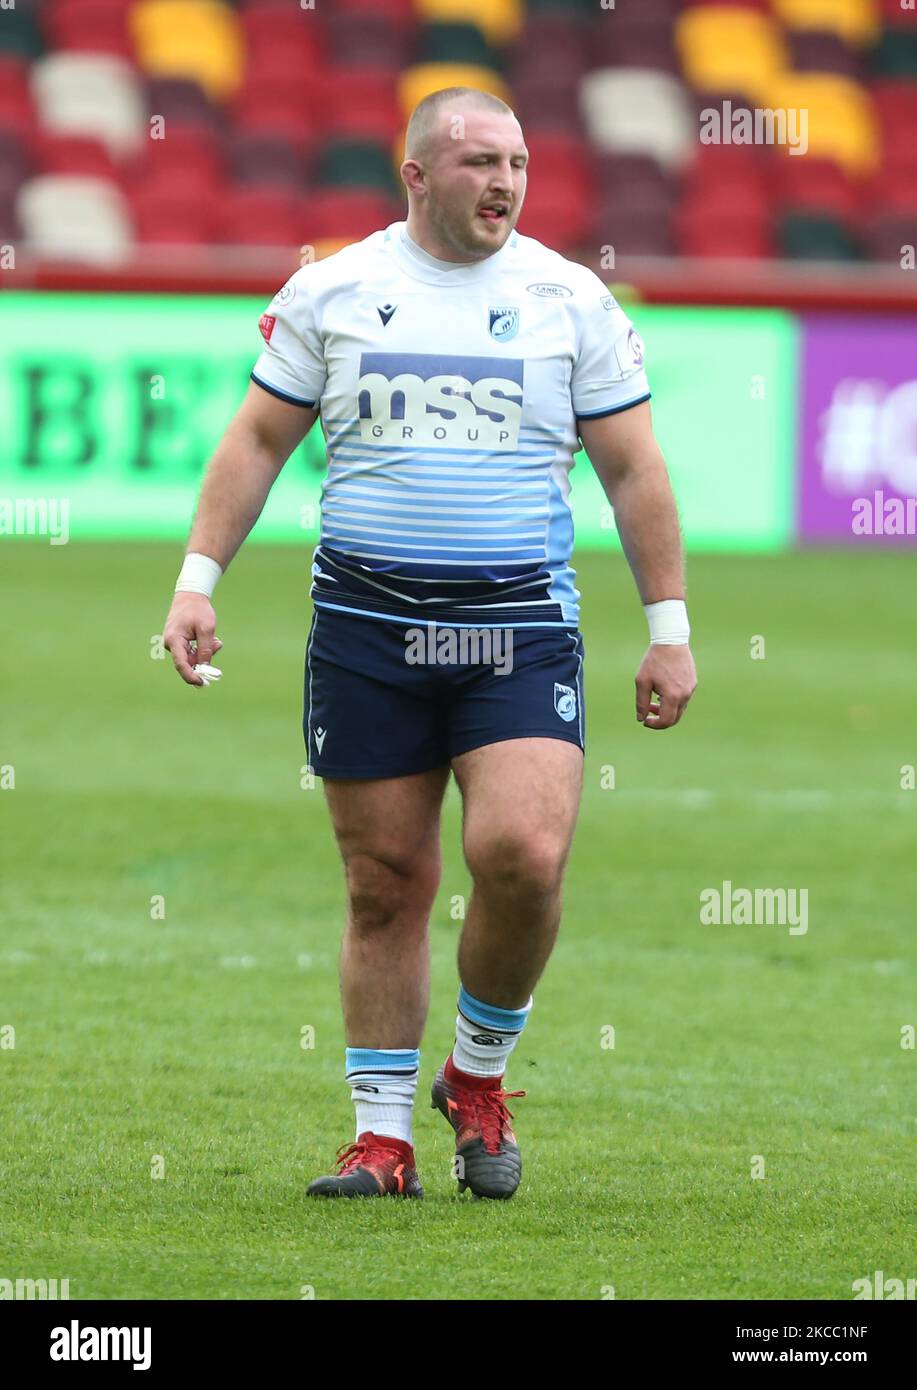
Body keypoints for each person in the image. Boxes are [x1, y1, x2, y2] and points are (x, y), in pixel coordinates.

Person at [163, 87, 697, 1202]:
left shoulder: (568, 299)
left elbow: (633, 471)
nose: (503, 182)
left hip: (516, 630)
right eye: (476, 162)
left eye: (516, 162)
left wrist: (669, 629)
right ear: (414, 175)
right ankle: (378, 1138)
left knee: (522, 857)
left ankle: (478, 1077)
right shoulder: (336, 289)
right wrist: (197, 581)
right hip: (365, 630)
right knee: (382, 882)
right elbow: (259, 438)